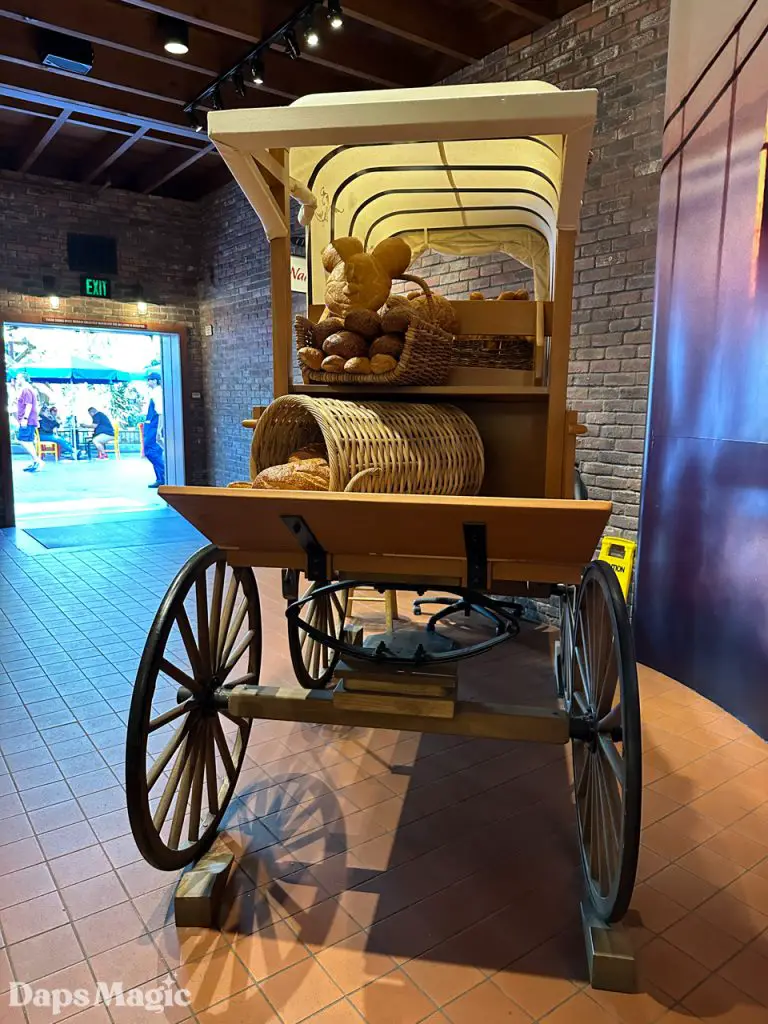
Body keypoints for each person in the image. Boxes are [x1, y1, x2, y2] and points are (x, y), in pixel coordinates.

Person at [14, 371, 41, 473]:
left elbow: (28, 405)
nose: (17, 380)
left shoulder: (26, 390)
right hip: (30, 419)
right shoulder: (28, 389)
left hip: (27, 420)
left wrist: (25, 418)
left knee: (22, 439)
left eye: (18, 378)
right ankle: (35, 461)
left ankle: (37, 460)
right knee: (28, 441)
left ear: (22, 379)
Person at [143, 371, 165, 488]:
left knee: (150, 451)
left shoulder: (157, 393)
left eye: (150, 379)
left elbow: (161, 412)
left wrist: (159, 430)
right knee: (154, 451)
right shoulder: (153, 393)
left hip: (155, 424)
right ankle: (160, 477)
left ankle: (164, 473)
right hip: (151, 424)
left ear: (155, 380)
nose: (148, 382)